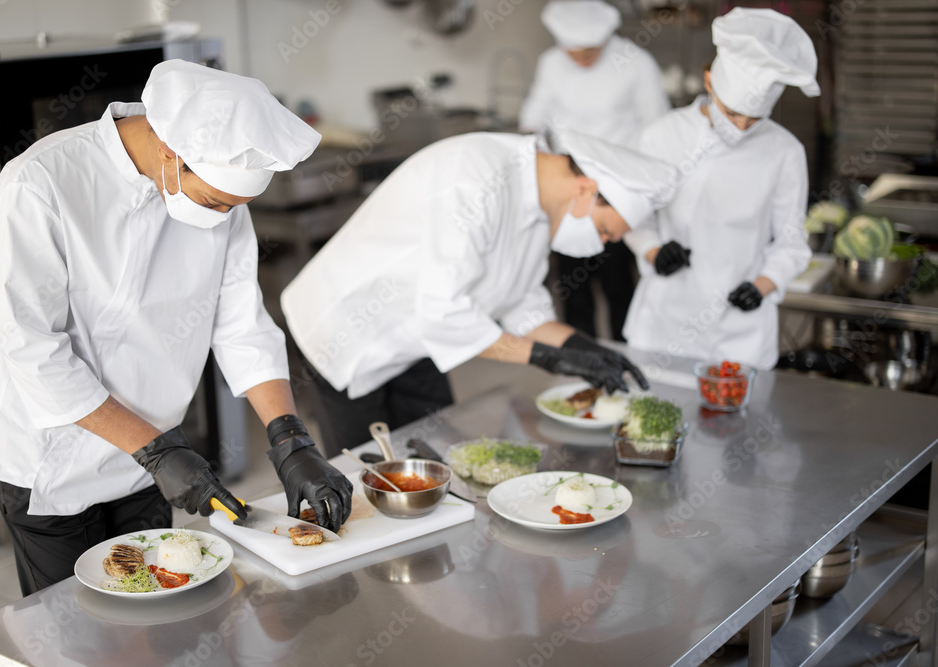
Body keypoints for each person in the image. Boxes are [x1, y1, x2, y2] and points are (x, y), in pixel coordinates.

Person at [0, 60, 353, 595]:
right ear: (172, 152)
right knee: (73, 625)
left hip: (156, 460)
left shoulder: (218, 188)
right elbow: (33, 349)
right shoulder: (40, 182)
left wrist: (290, 440)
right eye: (215, 202)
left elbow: (242, 324)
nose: (225, 216)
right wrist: (156, 449)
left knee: (157, 604)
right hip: (51, 456)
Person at [281, 129, 677, 457]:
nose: (600, 244)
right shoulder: (476, 179)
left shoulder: (542, 203)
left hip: (417, 340)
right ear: (587, 188)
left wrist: (588, 350)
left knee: (432, 455)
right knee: (368, 470)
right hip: (348, 332)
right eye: (606, 231)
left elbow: (523, 306)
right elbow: (444, 314)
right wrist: (547, 359)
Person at [623, 8, 818, 369]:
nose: (741, 127)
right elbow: (632, 215)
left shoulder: (785, 151)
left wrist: (763, 285)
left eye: (755, 119)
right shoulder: (661, 135)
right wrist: (652, 251)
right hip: (666, 318)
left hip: (740, 328)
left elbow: (791, 242)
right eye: (731, 114)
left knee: (736, 418)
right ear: (709, 81)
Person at [519, 0, 671, 344]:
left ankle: (626, 354)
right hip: (568, 192)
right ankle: (581, 360)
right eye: (573, 52)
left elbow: (658, 126)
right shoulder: (551, 64)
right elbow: (534, 114)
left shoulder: (636, 62)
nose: (581, 59)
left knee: (619, 284)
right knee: (573, 286)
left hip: (617, 195)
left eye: (589, 51)